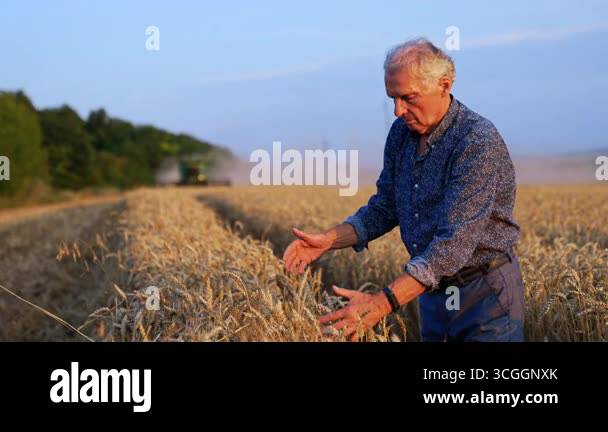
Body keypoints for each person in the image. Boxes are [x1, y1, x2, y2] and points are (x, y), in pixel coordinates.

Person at [282, 38, 524, 342]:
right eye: (392, 98)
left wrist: (379, 304)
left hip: (484, 293)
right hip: (432, 292)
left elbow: (452, 245)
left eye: (408, 97)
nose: (398, 110)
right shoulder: (402, 133)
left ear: (444, 85)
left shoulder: (477, 142)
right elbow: (386, 206)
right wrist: (327, 241)